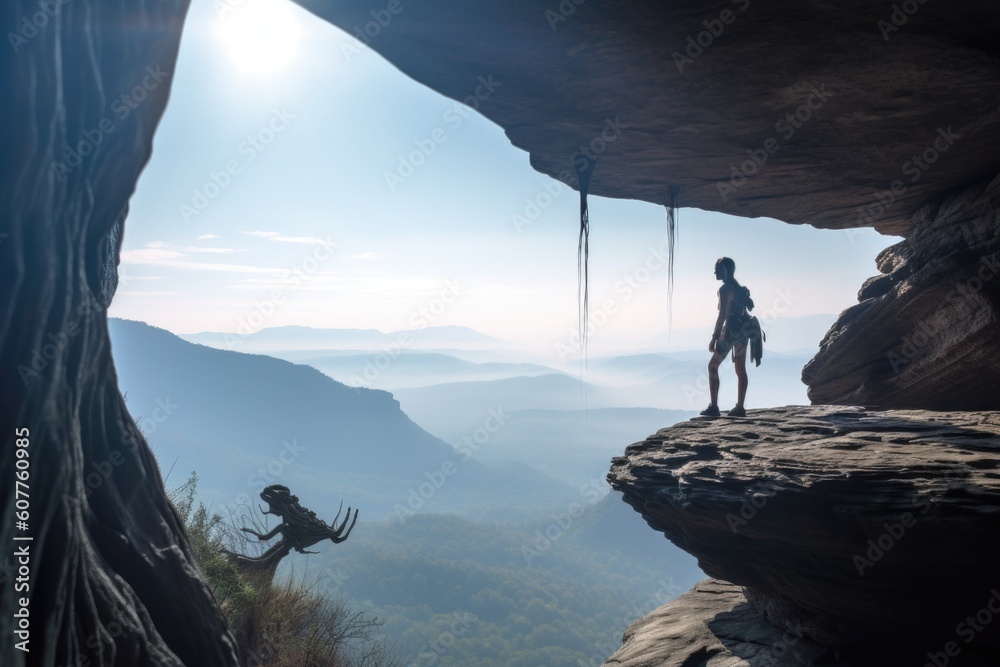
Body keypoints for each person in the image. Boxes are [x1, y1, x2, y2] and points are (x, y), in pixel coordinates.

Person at [700, 257, 751, 417]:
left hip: (729, 331)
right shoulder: (739, 289)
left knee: (712, 366)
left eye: (717, 268)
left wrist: (715, 337)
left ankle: (714, 406)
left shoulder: (724, 290)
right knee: (740, 369)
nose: (715, 271)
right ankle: (740, 407)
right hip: (743, 331)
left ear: (725, 270)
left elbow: (722, 315)